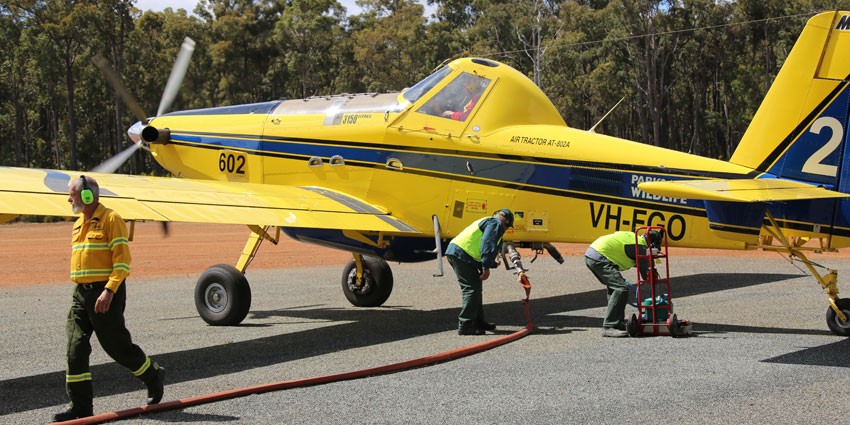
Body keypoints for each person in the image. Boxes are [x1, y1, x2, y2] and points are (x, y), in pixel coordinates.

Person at [53, 176, 165, 421]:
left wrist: (109, 290)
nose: (69, 198)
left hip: (105, 293)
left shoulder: (111, 219)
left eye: (72, 194)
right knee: (75, 349)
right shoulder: (78, 223)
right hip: (80, 295)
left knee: (117, 348)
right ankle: (81, 407)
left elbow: (123, 262)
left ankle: (153, 375)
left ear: (86, 196)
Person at [445, 209, 514, 335]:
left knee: (476, 287)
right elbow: (487, 244)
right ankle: (465, 325)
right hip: (461, 254)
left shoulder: (489, 221)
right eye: (507, 226)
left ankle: (478, 321)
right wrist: (486, 268)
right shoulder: (496, 224)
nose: (506, 229)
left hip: (461, 253)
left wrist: (490, 263)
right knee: (471, 289)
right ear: (505, 221)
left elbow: (481, 247)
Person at [584, 229, 664, 337]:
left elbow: (633, 258)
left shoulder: (634, 238)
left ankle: (617, 322)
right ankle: (609, 326)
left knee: (615, 288)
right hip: (600, 257)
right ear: (652, 244)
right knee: (621, 289)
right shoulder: (640, 247)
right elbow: (646, 274)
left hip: (593, 253)